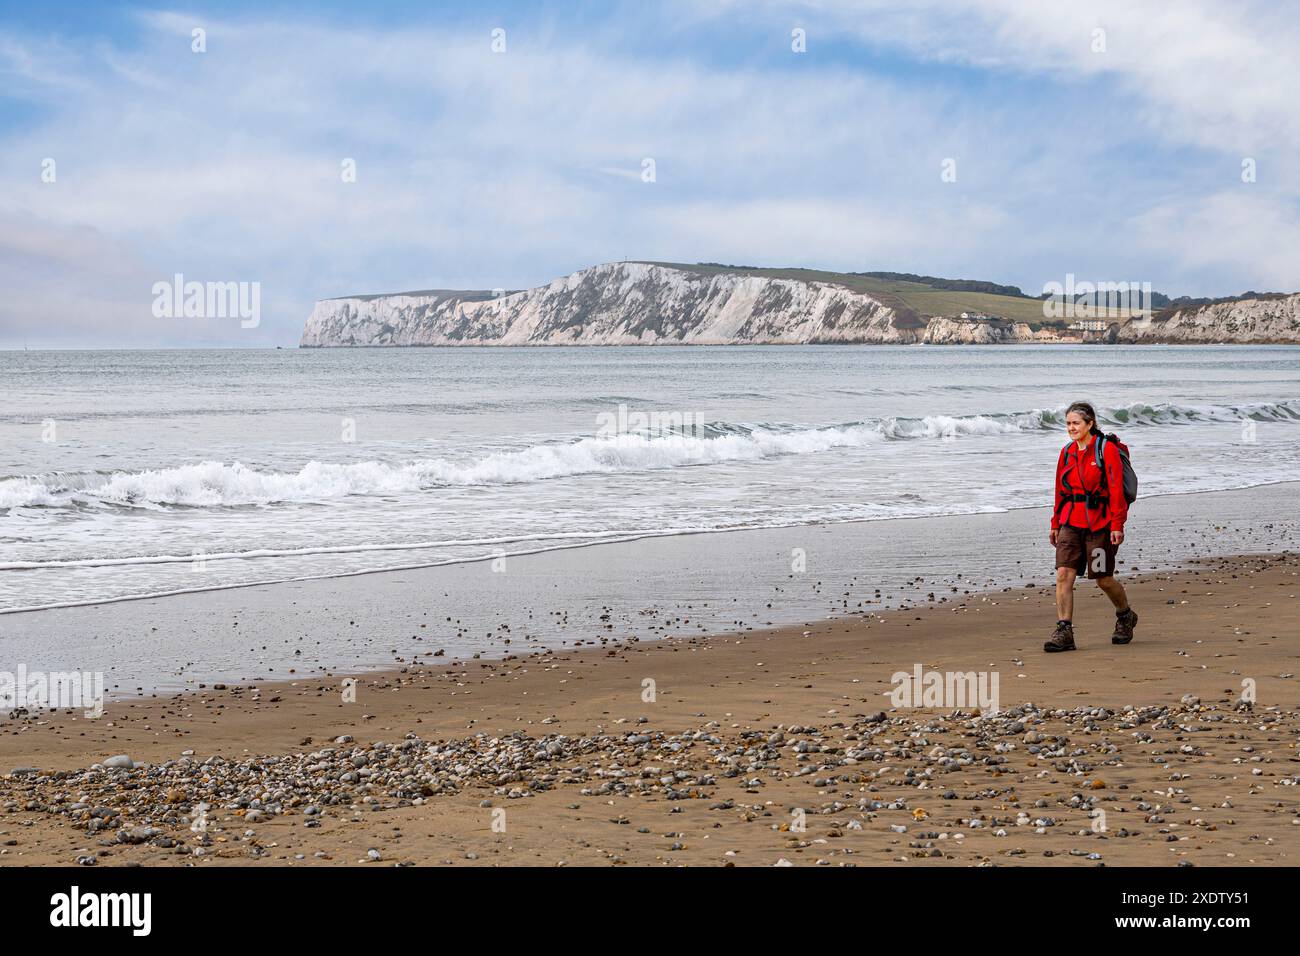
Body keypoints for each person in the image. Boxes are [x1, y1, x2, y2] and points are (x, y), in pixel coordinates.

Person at [1046, 401, 1138, 652]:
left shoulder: (1105, 450)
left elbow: (1117, 491)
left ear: (1090, 423)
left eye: (1076, 423)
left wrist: (1117, 525)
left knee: (1103, 579)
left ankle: (1125, 615)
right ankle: (1064, 631)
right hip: (1070, 524)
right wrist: (1055, 523)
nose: (1071, 428)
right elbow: (1059, 491)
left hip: (1100, 526)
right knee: (1064, 574)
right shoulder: (1066, 453)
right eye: (1068, 424)